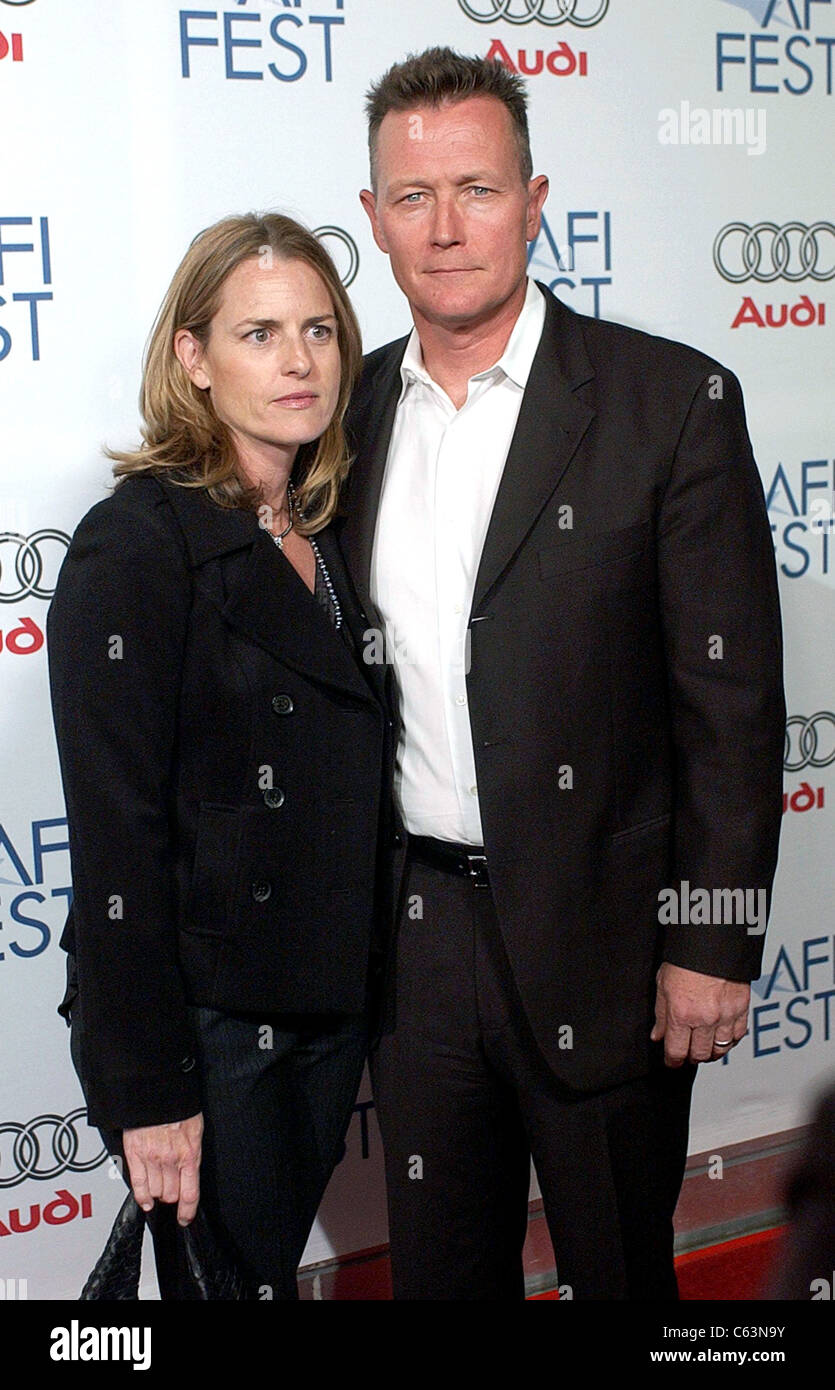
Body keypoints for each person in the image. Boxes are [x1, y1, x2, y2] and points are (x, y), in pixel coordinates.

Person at [337, 48, 786, 1299]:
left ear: (536, 200)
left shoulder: (670, 400)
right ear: (371, 219)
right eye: (411, 197)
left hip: (614, 937)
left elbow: (733, 705)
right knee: (441, 1276)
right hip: (415, 947)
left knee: (620, 1273)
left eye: (475, 189)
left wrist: (717, 942)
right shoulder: (346, 418)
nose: (445, 227)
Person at [47, 212, 391, 1299]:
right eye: (257, 334)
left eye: (319, 330)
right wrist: (147, 1087)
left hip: (323, 1011)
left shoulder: (325, 525)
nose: (299, 361)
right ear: (191, 358)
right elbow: (116, 843)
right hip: (211, 1035)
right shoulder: (138, 544)